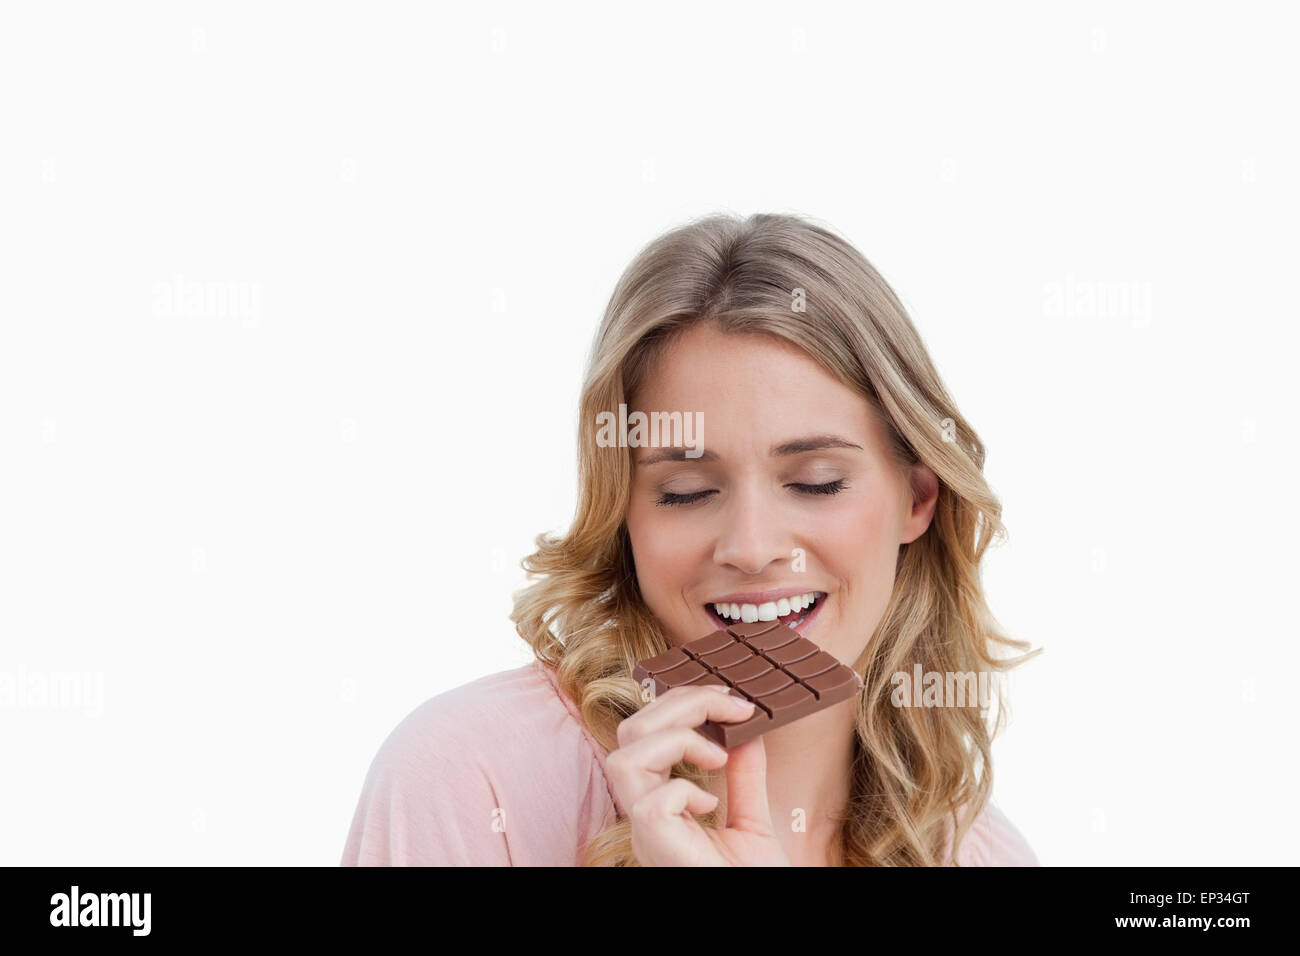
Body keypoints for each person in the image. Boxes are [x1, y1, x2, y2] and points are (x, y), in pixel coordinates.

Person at [342, 212, 1042, 866]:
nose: (751, 545)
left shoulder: (978, 850)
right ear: (624, 513)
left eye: (817, 482)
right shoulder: (473, 774)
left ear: (918, 499)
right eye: (686, 493)